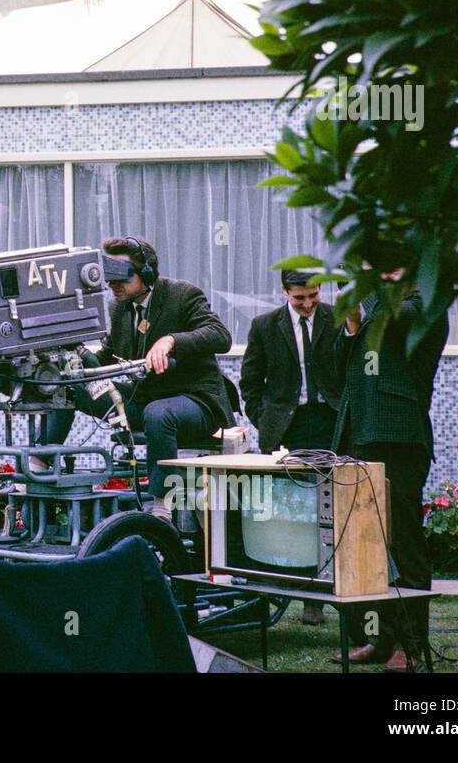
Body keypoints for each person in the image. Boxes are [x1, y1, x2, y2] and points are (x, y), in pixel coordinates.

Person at [41, 237, 234, 520]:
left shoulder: (183, 295)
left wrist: (171, 341)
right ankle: (35, 468)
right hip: (143, 402)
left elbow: (220, 336)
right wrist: (71, 351)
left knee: (159, 413)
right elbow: (109, 356)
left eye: (121, 277)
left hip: (195, 402)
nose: (112, 285)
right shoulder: (118, 308)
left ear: (146, 274)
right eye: (109, 278)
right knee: (65, 389)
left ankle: (161, 506)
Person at [331, 277, 448, 671]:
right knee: (368, 544)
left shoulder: (424, 301)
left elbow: (396, 321)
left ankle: (412, 645)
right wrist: (349, 324)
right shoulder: (378, 305)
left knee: (405, 544)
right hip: (360, 433)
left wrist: (368, 282)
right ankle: (378, 637)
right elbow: (340, 364)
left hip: (400, 436)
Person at [239, 268, 341, 624]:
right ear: (285, 292)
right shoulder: (264, 326)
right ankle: (291, 588)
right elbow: (249, 383)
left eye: (314, 296)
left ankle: (322, 594)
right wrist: (265, 420)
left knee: (330, 511)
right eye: (300, 298)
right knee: (294, 512)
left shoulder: (337, 318)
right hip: (289, 427)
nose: (309, 304)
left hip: (331, 422)